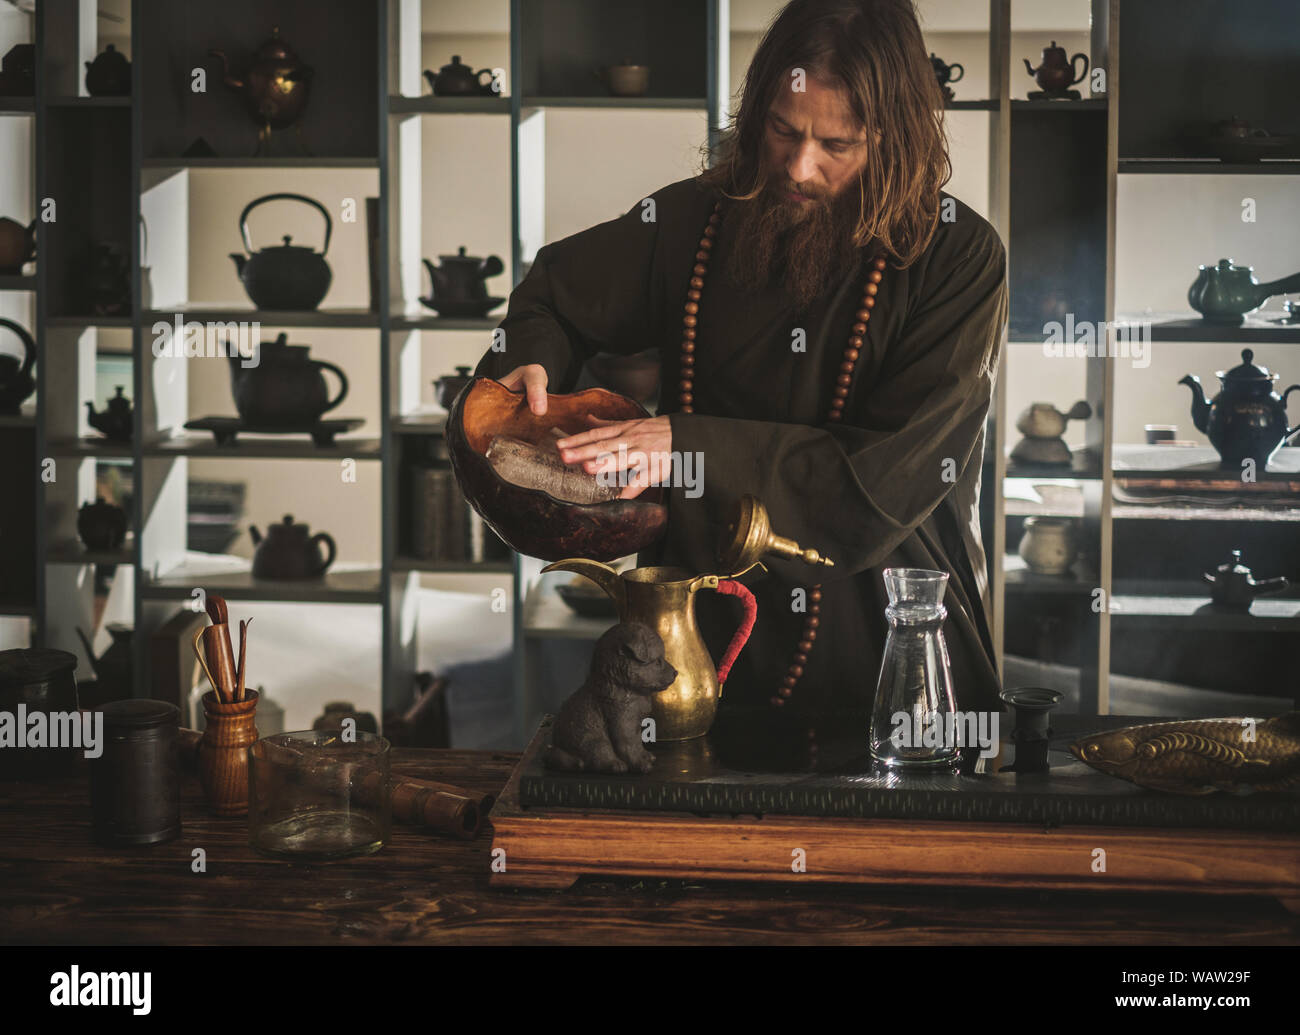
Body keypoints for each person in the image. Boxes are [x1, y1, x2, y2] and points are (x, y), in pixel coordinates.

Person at [474, 0, 1008, 717]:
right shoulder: (695, 217)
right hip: (698, 640)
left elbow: (881, 478)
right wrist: (529, 360)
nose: (799, 165)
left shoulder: (957, 259)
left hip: (890, 652)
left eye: (838, 145)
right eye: (783, 129)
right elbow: (551, 297)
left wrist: (686, 447)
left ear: (896, 136)